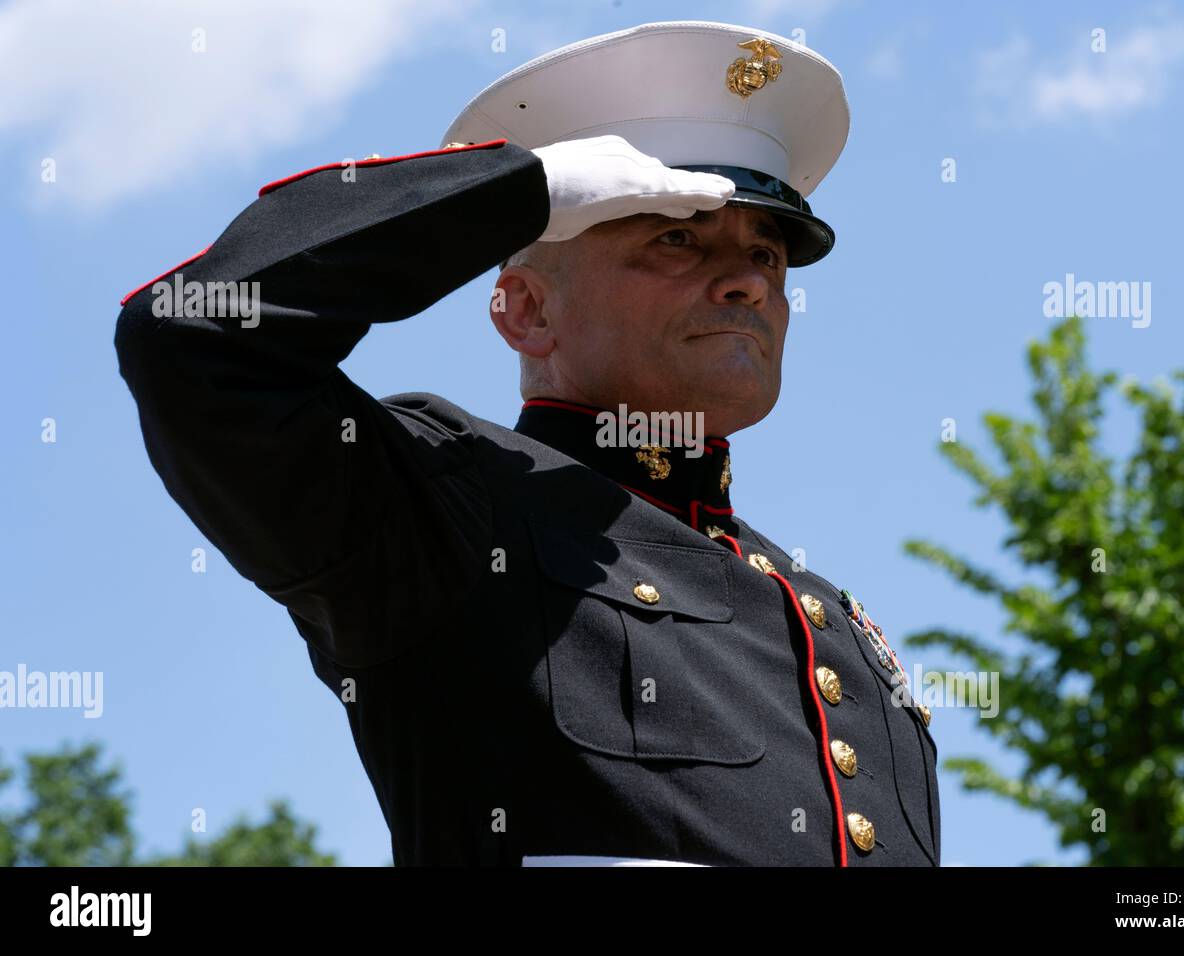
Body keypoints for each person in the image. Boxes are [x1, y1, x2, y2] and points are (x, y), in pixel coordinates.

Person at [113, 20, 939, 866]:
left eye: (767, 250)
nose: (750, 279)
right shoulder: (450, 505)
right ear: (528, 311)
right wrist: (523, 189)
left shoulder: (826, 618)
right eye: (678, 236)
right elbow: (191, 334)